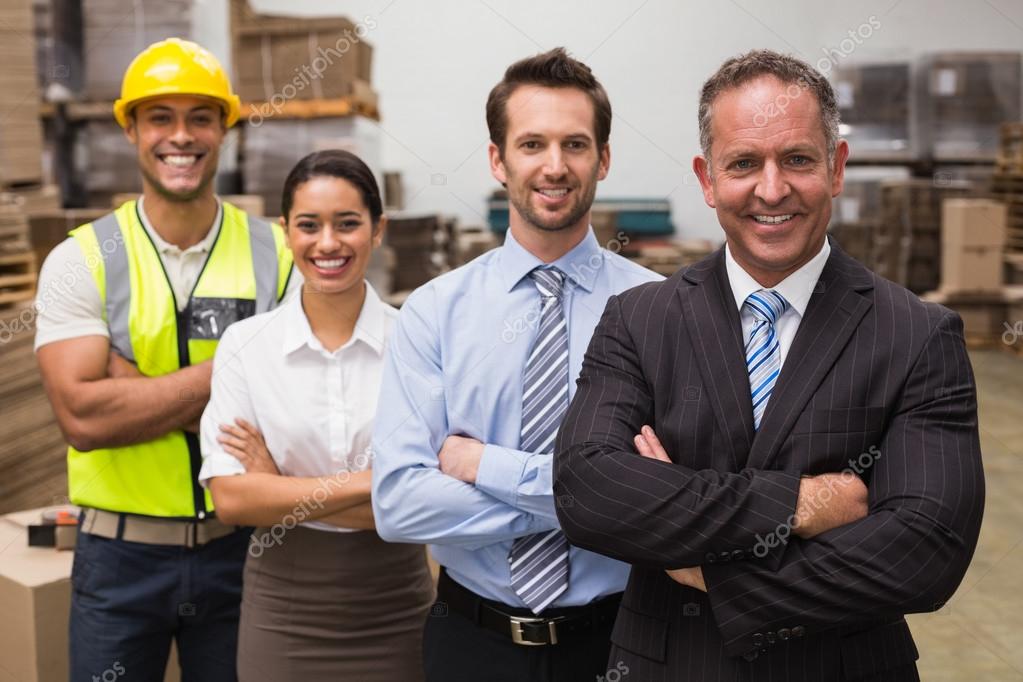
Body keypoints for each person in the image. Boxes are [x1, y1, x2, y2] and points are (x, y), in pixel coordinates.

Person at [553, 49, 985, 681]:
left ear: (836, 168)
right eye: (744, 163)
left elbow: (925, 549)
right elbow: (589, 489)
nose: (772, 189)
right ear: (707, 179)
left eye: (799, 159)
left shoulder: (917, 334)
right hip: (669, 664)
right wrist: (801, 503)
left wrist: (709, 572)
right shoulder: (639, 320)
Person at [370, 48, 662, 682]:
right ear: (499, 159)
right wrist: (595, 498)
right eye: (532, 144)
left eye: (575, 145)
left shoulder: (660, 309)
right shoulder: (434, 313)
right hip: (472, 644)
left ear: (603, 158)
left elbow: (670, 496)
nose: (554, 167)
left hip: (624, 640)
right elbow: (399, 506)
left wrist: (487, 468)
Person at [34, 38, 297, 681]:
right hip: (119, 561)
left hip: (245, 554)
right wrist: (231, 379)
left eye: (200, 117)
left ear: (224, 129)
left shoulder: (279, 253)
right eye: (160, 117)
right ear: (130, 128)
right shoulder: (82, 259)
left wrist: (130, 381)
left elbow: (294, 413)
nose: (181, 136)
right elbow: (84, 419)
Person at [198, 149, 434, 681]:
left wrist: (278, 488)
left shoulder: (418, 345)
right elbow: (232, 499)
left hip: (396, 607)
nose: (327, 243)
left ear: (378, 230)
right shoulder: (246, 345)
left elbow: (426, 501)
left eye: (348, 224)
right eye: (309, 225)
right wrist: (375, 482)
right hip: (283, 613)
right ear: (286, 232)